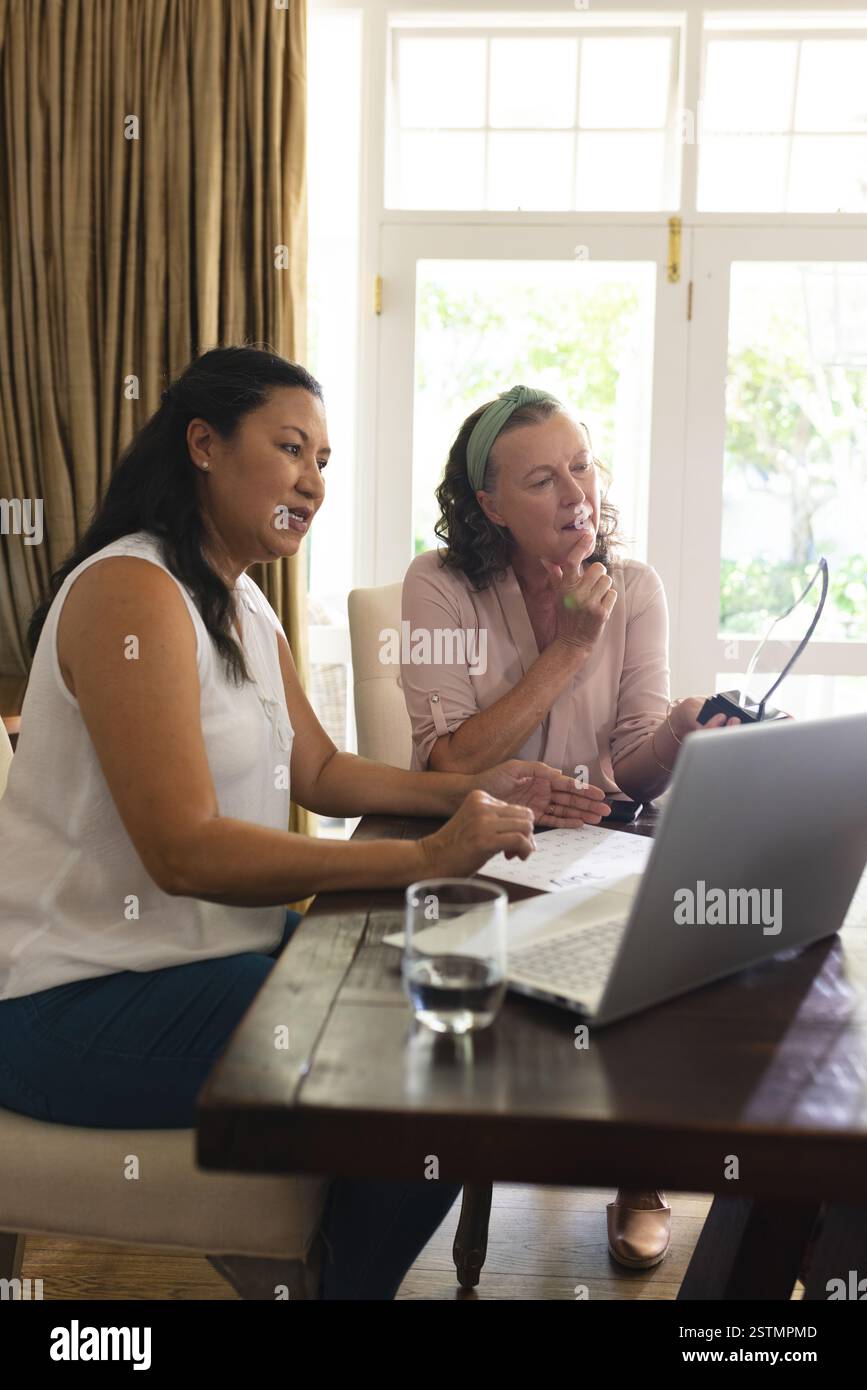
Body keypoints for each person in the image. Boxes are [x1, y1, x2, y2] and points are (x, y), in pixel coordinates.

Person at [0, 349, 602, 1301]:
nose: (312, 482)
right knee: (431, 1054)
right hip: (71, 997)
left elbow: (316, 770)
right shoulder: (133, 592)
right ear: (203, 444)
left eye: (323, 459)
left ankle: (325, 1277)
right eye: (290, 450)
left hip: (195, 960)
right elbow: (182, 849)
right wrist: (427, 855)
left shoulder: (239, 599)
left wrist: (474, 787)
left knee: (450, 1000)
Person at [400, 384, 741, 1269]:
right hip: (480, 846)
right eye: (543, 481)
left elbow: (627, 764)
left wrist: (680, 731)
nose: (576, 497)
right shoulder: (436, 587)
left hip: (602, 838)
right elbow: (446, 759)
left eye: (582, 468)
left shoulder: (632, 586)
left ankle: (640, 1173)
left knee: (672, 944)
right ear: (488, 506)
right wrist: (567, 653)